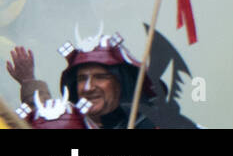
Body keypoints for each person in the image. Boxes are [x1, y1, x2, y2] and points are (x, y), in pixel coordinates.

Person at [6, 33, 156, 129]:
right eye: (81, 78)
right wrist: (29, 82)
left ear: (122, 83)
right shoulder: (73, 121)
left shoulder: (150, 125)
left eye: (100, 77)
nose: (88, 87)